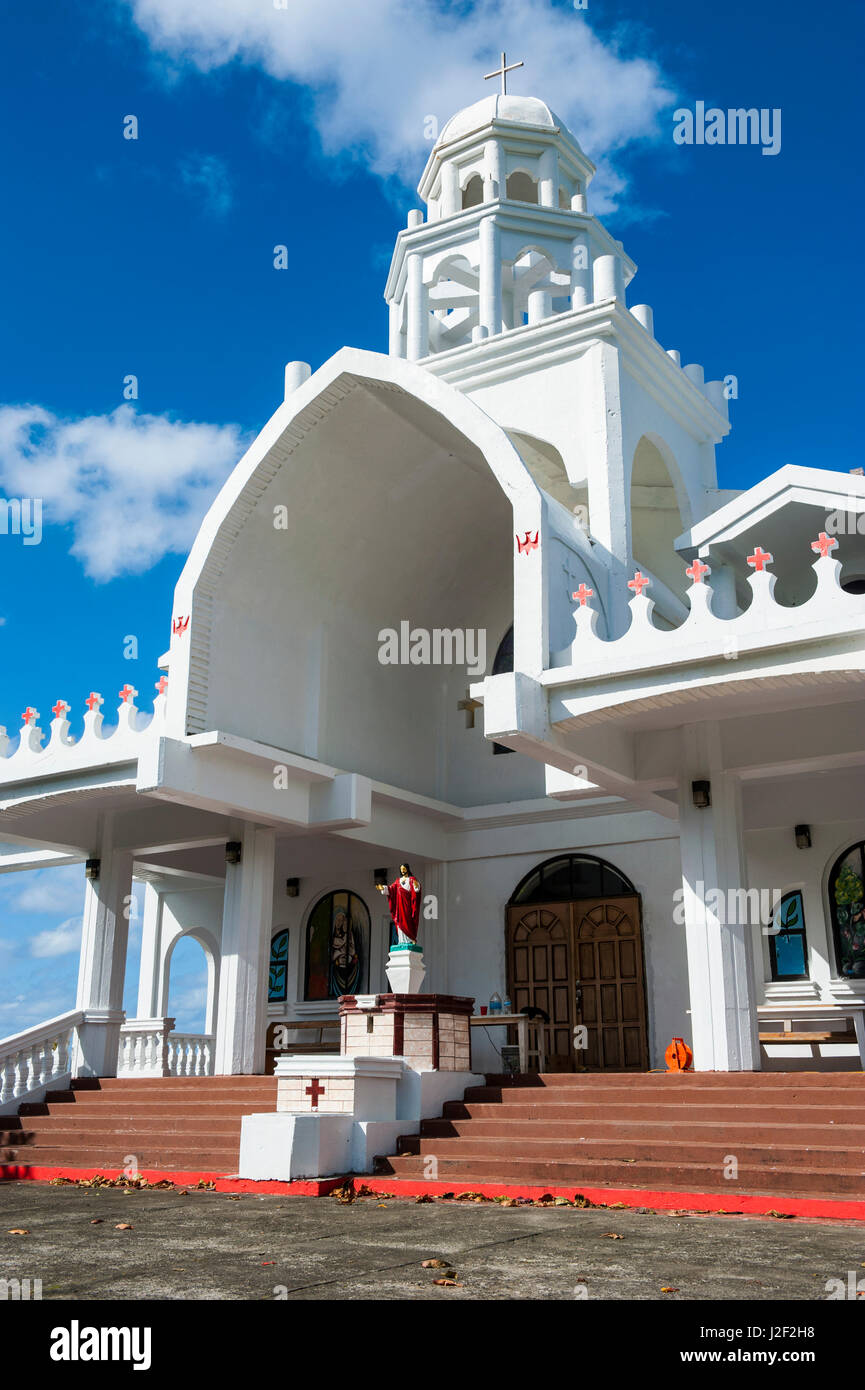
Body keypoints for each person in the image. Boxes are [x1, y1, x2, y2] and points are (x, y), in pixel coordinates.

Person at [377, 862, 421, 944]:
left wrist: (416, 885)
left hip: (408, 906)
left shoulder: (411, 879)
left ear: (407, 869)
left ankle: (410, 938)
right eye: (401, 869)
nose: (403, 871)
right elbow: (391, 889)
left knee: (407, 921)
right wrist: (383, 888)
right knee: (399, 921)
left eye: (404, 869)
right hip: (399, 906)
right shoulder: (398, 881)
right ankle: (402, 941)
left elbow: (416, 889)